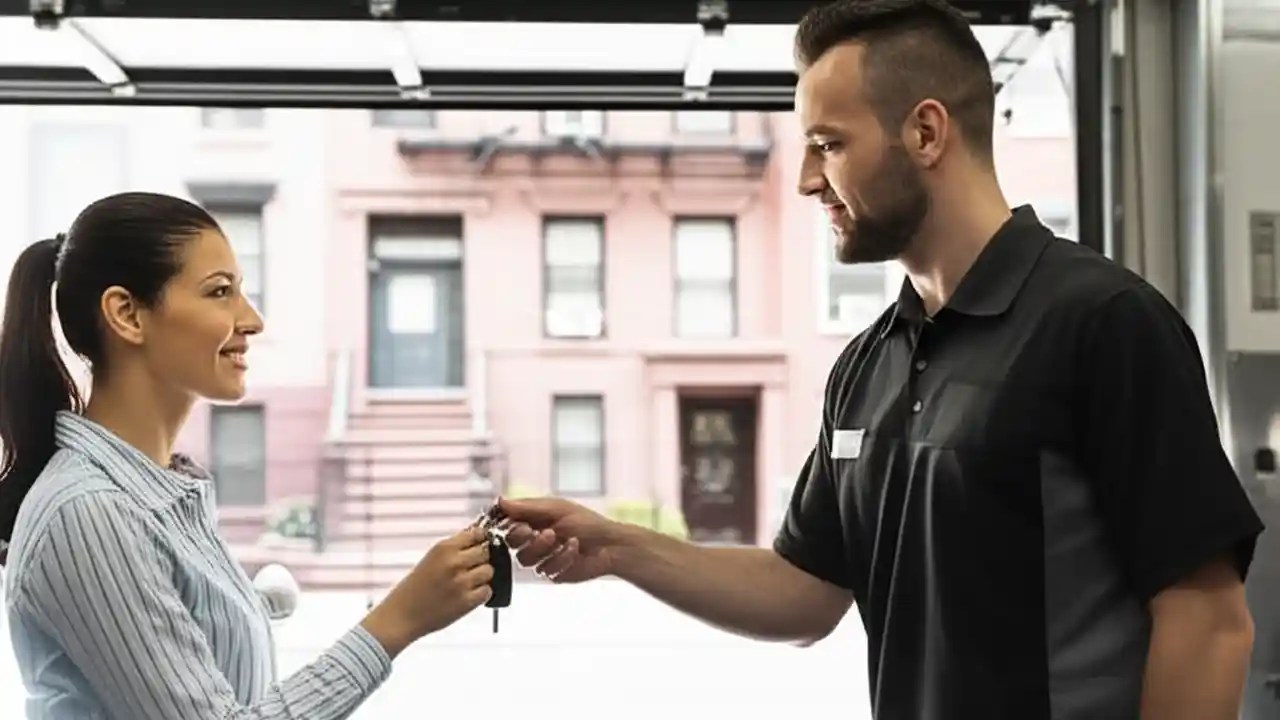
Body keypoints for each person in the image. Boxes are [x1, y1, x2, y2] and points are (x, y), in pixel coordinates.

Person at [497, 1, 1265, 718]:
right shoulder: (867, 364)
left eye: (828, 145)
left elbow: (1208, 623)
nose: (805, 180)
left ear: (926, 134)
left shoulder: (1104, 324)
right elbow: (805, 593)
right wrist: (619, 547)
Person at [0, 192, 494, 719]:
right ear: (127, 315)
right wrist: (400, 619)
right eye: (220, 292)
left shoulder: (162, 496)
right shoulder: (89, 513)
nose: (252, 320)